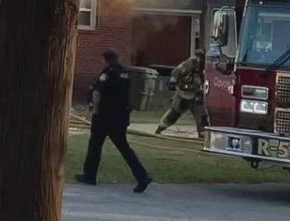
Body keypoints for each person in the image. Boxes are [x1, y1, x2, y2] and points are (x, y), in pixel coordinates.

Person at [79, 49, 153, 192]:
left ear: (105, 59)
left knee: (95, 145)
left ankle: (90, 176)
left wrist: (95, 111)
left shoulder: (107, 73)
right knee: (125, 148)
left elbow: (97, 92)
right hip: (121, 117)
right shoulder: (125, 73)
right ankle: (142, 177)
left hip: (104, 117)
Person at [155, 51, 209, 138]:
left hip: (197, 93)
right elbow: (177, 71)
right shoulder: (192, 62)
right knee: (174, 112)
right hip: (183, 92)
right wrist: (172, 82)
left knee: (201, 115)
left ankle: (203, 135)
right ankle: (160, 129)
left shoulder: (209, 66)